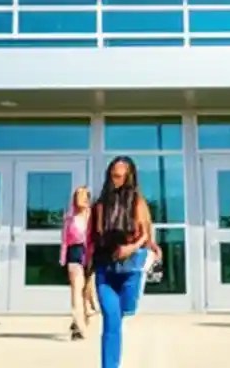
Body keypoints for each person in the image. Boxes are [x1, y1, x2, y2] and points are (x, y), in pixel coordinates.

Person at [88, 156, 154, 368]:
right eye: (114, 176)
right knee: (111, 322)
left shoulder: (137, 201)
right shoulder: (100, 205)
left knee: (126, 309)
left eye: (122, 177)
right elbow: (93, 238)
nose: (118, 180)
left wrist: (131, 248)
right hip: (105, 270)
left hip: (131, 267)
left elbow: (145, 235)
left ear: (130, 178)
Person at [60, 186, 95, 340]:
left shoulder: (93, 216)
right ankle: (79, 326)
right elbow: (65, 240)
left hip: (91, 255)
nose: (83, 199)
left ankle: (81, 319)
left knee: (88, 292)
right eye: (80, 196)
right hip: (75, 254)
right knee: (76, 290)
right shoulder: (69, 218)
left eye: (85, 196)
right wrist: (63, 258)